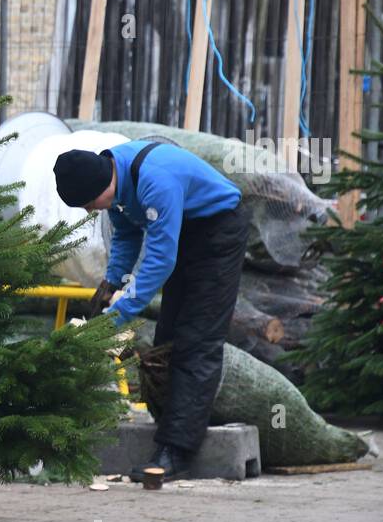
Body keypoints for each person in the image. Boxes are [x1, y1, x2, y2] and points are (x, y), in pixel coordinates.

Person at [54, 140, 247, 481]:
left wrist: (118, 315)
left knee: (196, 341)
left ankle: (177, 451)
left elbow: (159, 260)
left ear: (103, 186)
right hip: (186, 230)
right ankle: (172, 425)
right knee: (167, 338)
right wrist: (111, 283)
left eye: (89, 203)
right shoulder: (114, 178)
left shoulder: (155, 180)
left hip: (218, 231)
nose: (90, 211)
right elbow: (128, 235)